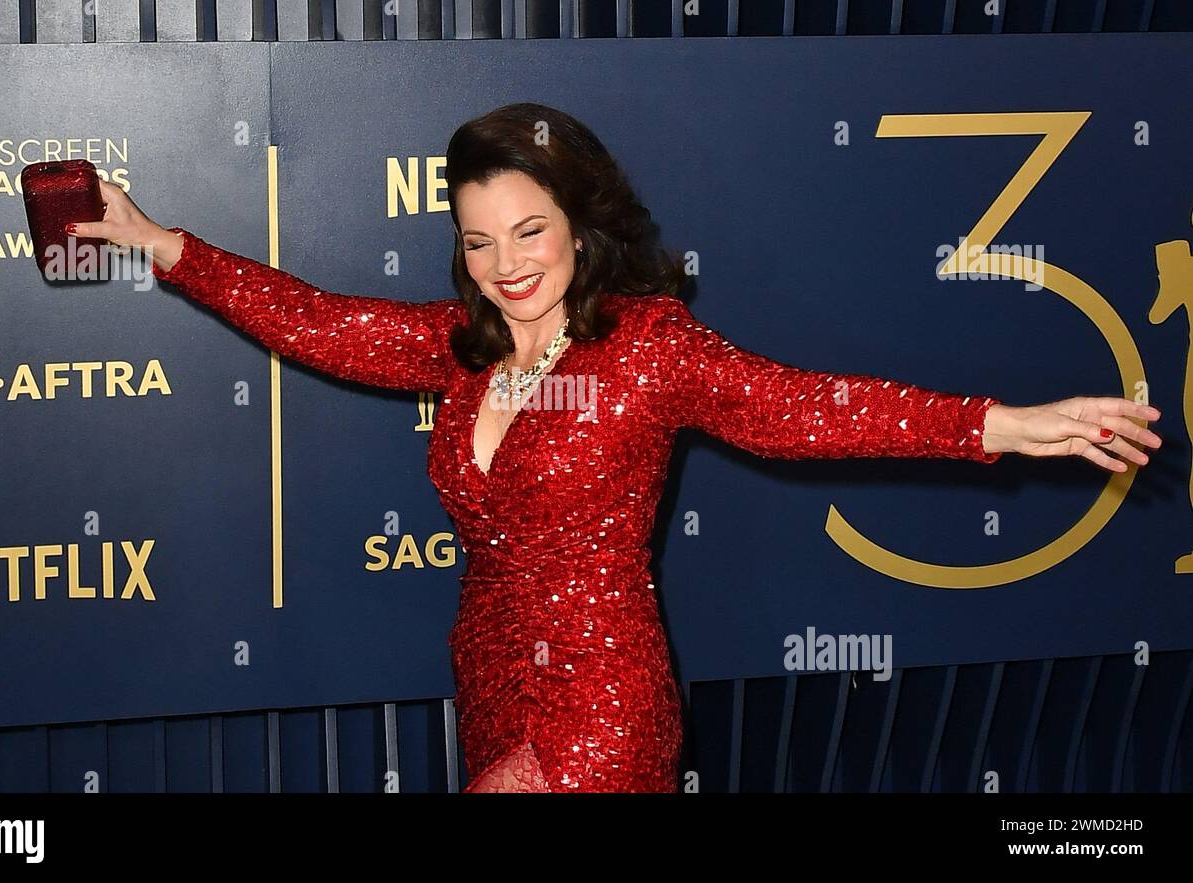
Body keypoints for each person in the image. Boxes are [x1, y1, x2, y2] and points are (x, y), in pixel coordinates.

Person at [69, 102, 1161, 792]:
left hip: (601, 705)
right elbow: (314, 319)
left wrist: (999, 426)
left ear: (579, 224)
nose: (505, 263)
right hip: (490, 686)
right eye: (479, 240)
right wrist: (155, 239)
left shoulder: (646, 346)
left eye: (529, 231)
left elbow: (808, 407)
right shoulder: (463, 352)